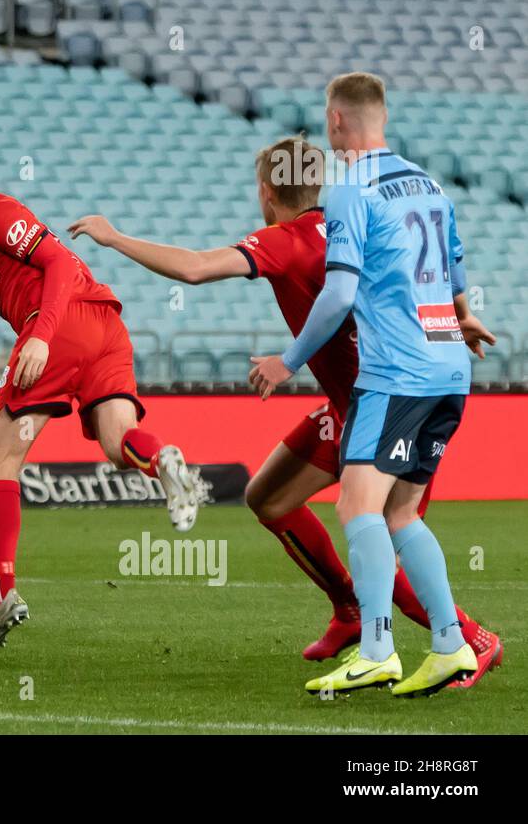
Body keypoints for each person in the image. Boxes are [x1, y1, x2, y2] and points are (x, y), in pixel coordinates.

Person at [69, 135, 501, 687]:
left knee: (384, 534)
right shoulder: (361, 219)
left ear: (268, 193)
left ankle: (469, 638)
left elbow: (196, 268)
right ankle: (349, 614)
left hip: (386, 403)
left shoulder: (287, 240)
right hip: (365, 397)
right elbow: (423, 268)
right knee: (269, 496)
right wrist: (452, 320)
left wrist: (112, 236)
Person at [0, 149, 206, 655]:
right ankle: (164, 462)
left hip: (59, 327)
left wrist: (42, 336)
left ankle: (1, 593)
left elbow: (56, 260)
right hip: (105, 327)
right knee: (117, 442)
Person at [251, 73, 487, 697]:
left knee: (358, 507)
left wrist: (288, 360)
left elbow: (339, 293)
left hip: (396, 372)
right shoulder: (429, 181)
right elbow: (454, 260)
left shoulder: (351, 188)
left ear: (335, 122)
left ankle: (378, 648)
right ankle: (450, 645)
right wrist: (462, 314)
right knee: (403, 512)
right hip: (449, 366)